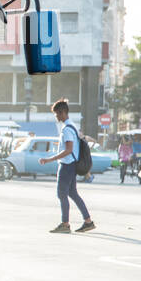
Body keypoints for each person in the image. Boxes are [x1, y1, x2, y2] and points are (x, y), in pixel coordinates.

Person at [38, 99, 94, 234]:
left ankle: (65, 224)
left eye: (57, 114)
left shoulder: (67, 129)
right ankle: (88, 221)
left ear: (63, 112)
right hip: (71, 164)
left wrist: (49, 159)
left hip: (67, 165)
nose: (56, 117)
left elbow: (69, 149)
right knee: (73, 193)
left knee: (62, 194)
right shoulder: (72, 126)